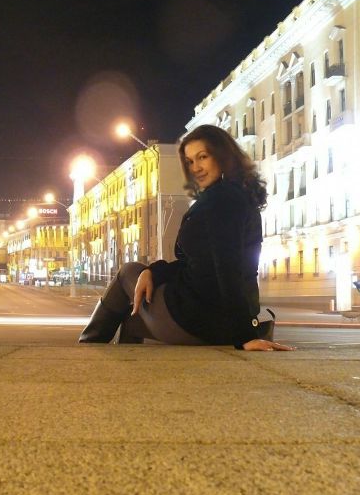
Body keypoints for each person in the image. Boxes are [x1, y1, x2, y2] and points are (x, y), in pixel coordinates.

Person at [78, 124, 294, 351]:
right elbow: (200, 263)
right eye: (190, 161)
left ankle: (87, 346)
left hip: (198, 318)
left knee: (128, 271)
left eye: (202, 157)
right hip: (213, 323)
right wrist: (154, 272)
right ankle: (124, 364)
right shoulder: (232, 195)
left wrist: (244, 336)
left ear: (223, 156)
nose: (196, 168)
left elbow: (229, 267)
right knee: (134, 318)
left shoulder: (223, 199)